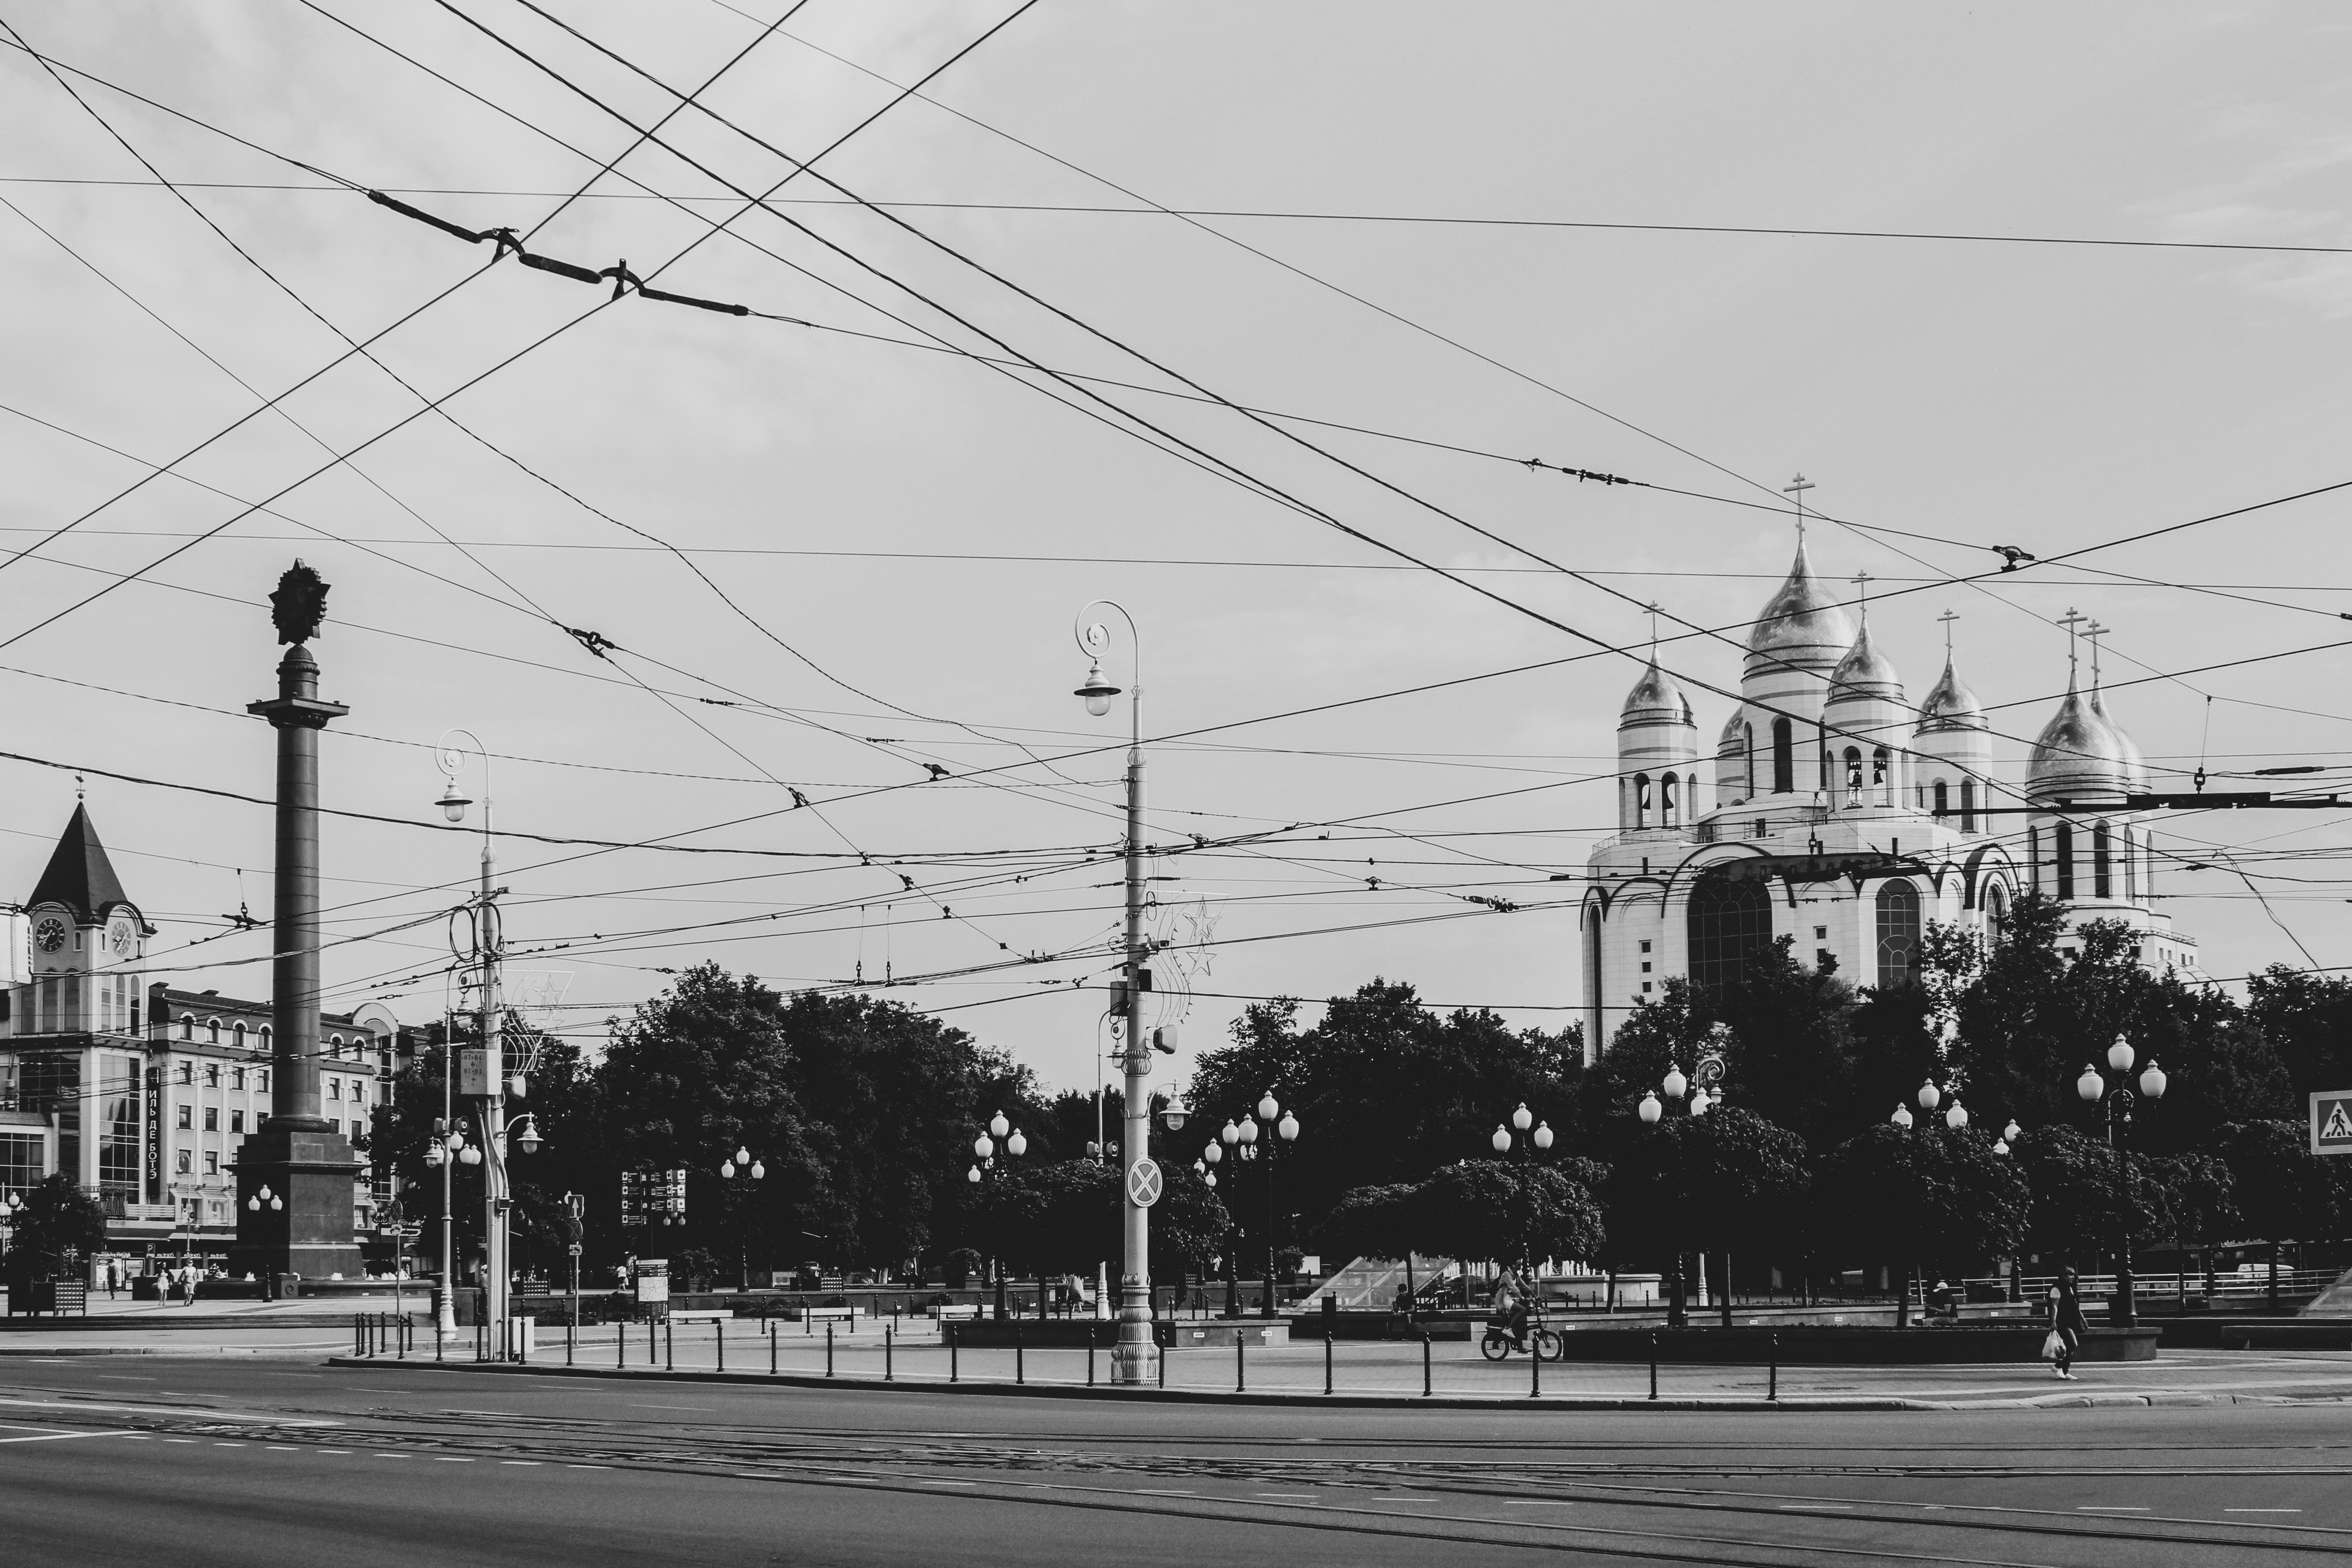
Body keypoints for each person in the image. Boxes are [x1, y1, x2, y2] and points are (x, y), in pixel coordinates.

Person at [2048, 1267, 2087, 1379]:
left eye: (2073, 1275)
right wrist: (2053, 1322)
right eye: (2070, 1275)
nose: (2073, 1277)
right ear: (2063, 1276)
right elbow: (2054, 1306)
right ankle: (2058, 1366)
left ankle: (2064, 1371)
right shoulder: (2056, 1289)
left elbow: (2074, 1304)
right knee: (2073, 1344)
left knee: (2068, 1346)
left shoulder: (2070, 1288)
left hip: (2071, 1320)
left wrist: (2082, 1318)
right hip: (2062, 1321)